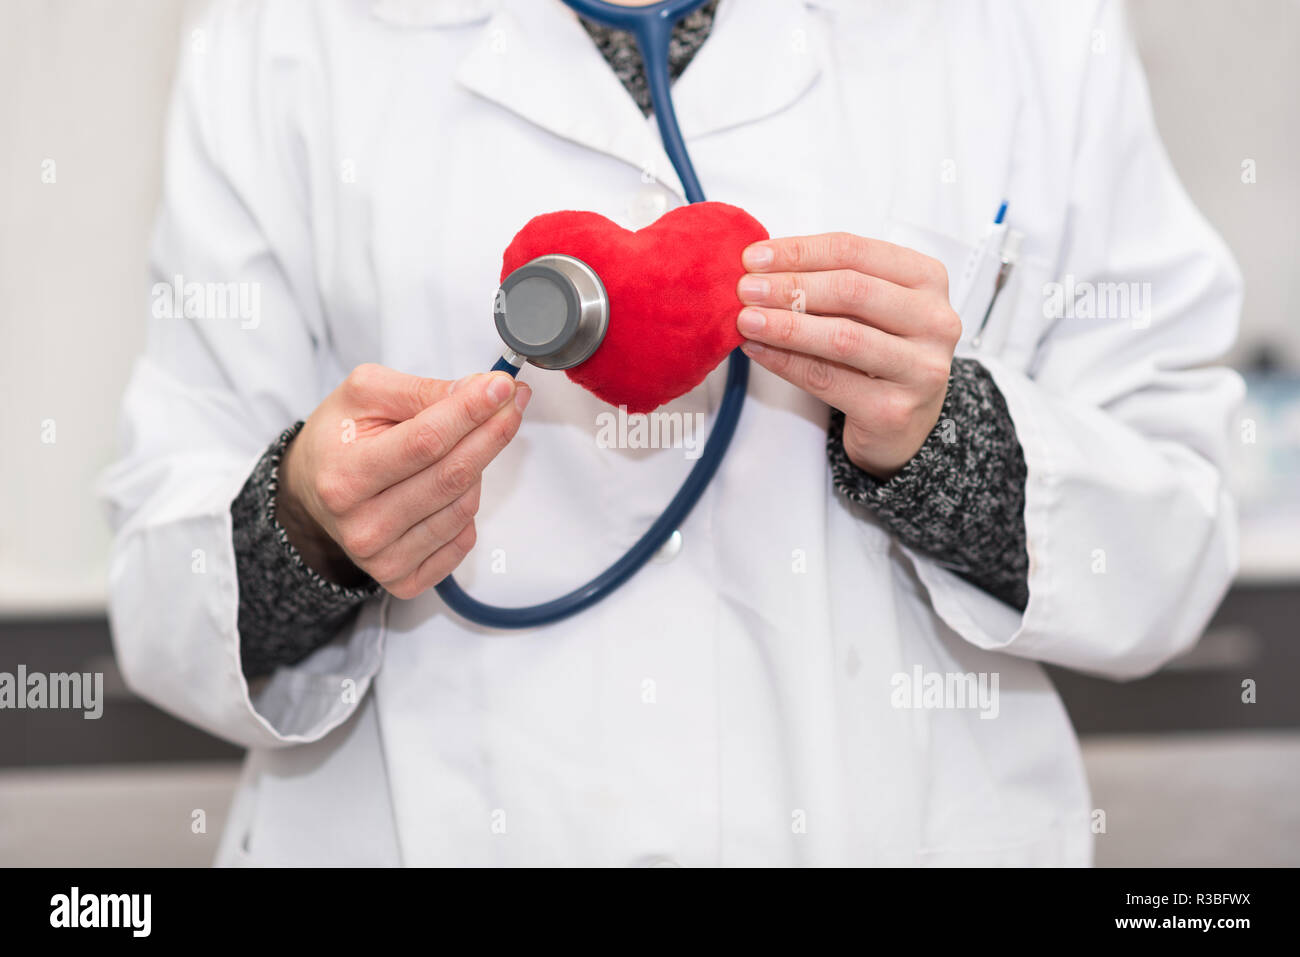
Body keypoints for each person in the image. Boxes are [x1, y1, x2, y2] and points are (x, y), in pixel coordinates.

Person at [101, 0, 1243, 866]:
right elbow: (164, 586)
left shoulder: (1017, 29)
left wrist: (949, 442)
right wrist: (307, 525)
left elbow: (1175, 529)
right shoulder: (288, 35)